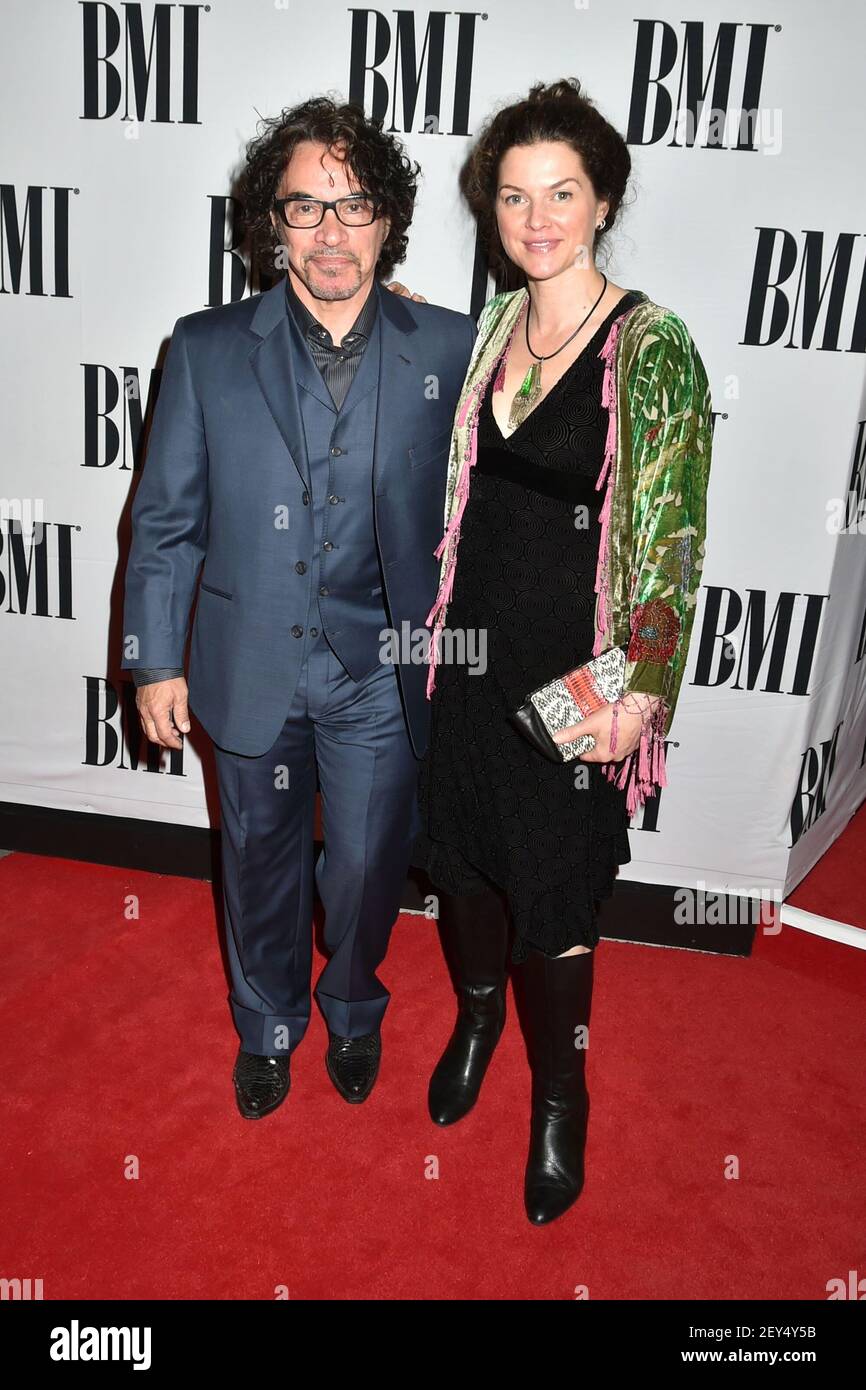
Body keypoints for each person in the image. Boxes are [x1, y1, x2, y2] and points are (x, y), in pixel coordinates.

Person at [121, 97, 475, 1119]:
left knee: (365, 867)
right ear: (270, 225)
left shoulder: (448, 350)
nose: (331, 231)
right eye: (305, 207)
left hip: (378, 670)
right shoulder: (203, 348)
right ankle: (268, 1023)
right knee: (258, 864)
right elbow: (165, 519)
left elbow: (492, 513)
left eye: (353, 205)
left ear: (386, 222)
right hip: (246, 663)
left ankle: (353, 1008)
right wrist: (153, 660)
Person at [411, 78, 713, 1224]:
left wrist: (638, 692)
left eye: (560, 194)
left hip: (570, 677)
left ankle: (559, 1090)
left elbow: (671, 542)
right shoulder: (492, 323)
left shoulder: (652, 347)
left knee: (552, 896)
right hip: (467, 651)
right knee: (467, 868)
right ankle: (477, 1011)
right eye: (511, 196)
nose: (535, 218)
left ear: (600, 203)